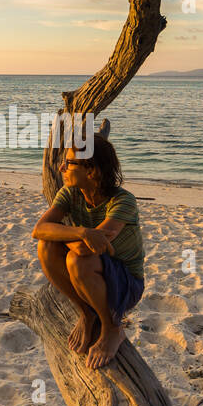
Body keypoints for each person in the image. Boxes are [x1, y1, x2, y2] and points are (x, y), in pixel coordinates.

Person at [31, 134, 145, 368]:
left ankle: (113, 327)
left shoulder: (123, 201)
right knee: (46, 247)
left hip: (126, 283)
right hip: (93, 272)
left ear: (91, 170)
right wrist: (82, 232)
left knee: (77, 260)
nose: (61, 167)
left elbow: (85, 250)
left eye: (69, 163)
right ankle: (87, 313)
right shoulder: (70, 193)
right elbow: (40, 230)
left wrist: (68, 236)